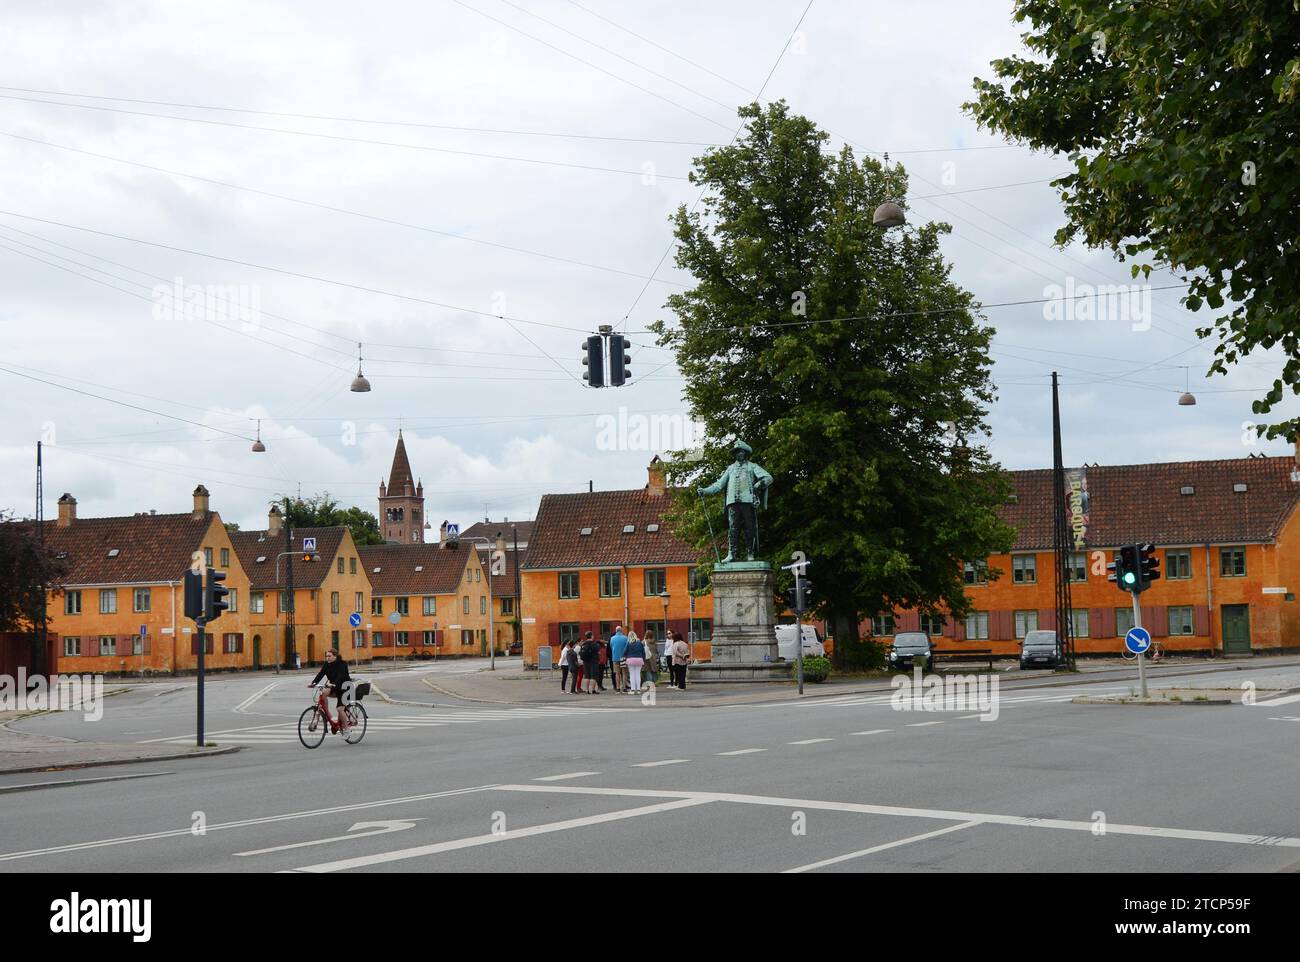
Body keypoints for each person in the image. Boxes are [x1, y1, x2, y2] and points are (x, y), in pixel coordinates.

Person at [307, 648, 352, 733]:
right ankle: (328, 715)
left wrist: (334, 683)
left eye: (329, 656)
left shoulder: (342, 664)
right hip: (334, 687)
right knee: (323, 693)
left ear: (335, 656)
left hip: (345, 688)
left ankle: (346, 729)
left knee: (339, 709)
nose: (327, 658)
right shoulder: (327, 664)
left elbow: (341, 675)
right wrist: (313, 683)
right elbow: (321, 674)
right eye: (326, 656)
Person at [609, 625, 630, 692]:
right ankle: (624, 687)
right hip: (623, 657)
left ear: (616, 631)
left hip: (615, 658)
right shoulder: (625, 638)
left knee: (617, 673)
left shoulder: (612, 638)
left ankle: (617, 687)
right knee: (624, 673)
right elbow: (627, 647)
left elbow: (611, 647)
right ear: (621, 630)